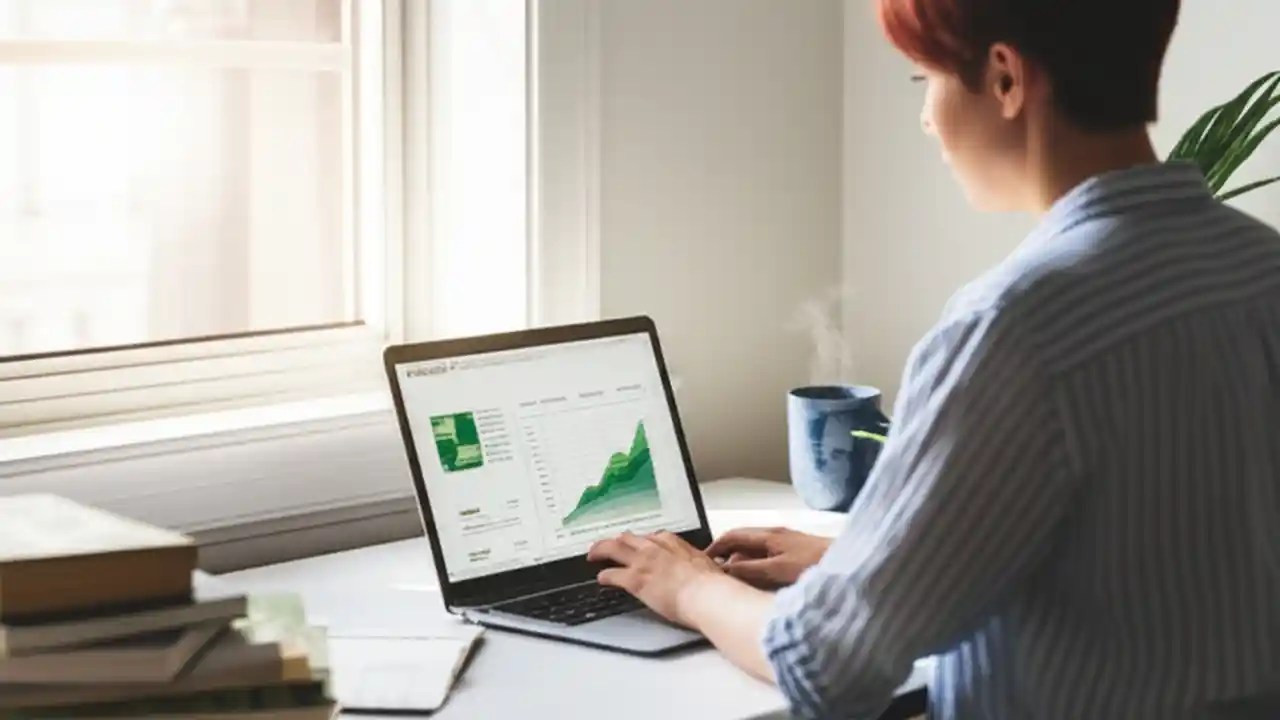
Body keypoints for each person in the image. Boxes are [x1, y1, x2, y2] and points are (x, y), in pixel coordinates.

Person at [587, 0, 1280, 717]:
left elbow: (828, 664)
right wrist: (868, 559)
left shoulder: (1012, 328)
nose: (925, 120)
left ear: (1006, 79)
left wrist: (690, 586)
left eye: (926, 81)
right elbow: (1151, 562)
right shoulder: (1262, 272)